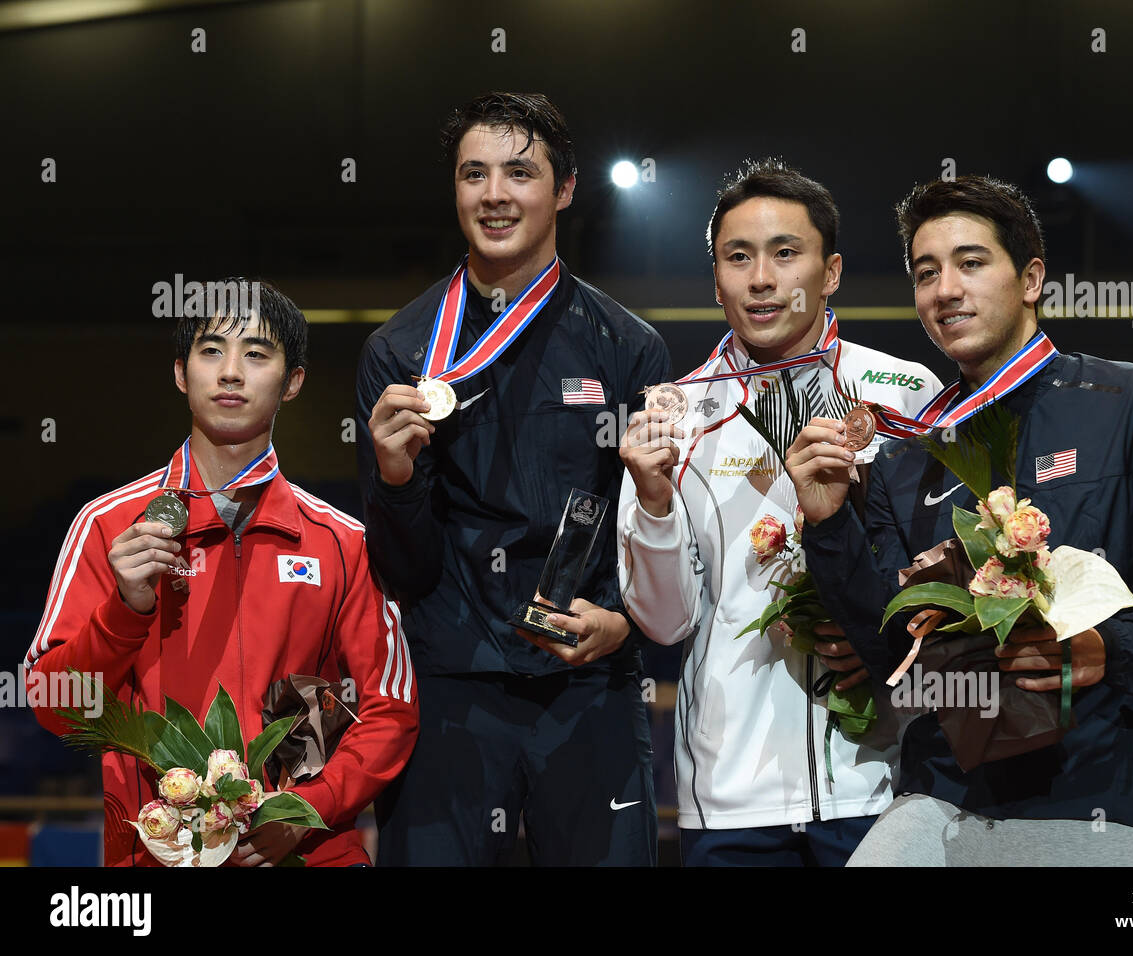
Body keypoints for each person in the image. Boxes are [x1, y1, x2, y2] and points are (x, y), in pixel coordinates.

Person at [788, 175, 1133, 865]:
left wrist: (1115, 649)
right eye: (926, 272)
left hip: (1107, 794)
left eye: (971, 262)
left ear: (1031, 279)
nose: (944, 290)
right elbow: (889, 647)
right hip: (945, 795)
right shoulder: (909, 459)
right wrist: (829, 523)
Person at [357, 92, 671, 866]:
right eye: (474, 174)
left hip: (589, 684)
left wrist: (626, 624)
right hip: (451, 691)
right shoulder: (399, 354)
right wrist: (395, 480)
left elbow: (660, 532)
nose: (493, 194)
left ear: (564, 189)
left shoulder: (628, 347)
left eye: (519, 172)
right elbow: (401, 570)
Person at [25, 280, 418, 867]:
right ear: (182, 374)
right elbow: (53, 706)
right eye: (212, 352)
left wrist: (306, 810)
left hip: (310, 852)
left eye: (257, 354)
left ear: (293, 383)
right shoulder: (108, 526)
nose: (231, 372)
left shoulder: (343, 542)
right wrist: (124, 613)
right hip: (155, 856)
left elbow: (391, 708)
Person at [617, 159, 940, 866]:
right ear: (716, 279)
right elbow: (666, 622)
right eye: (738, 257)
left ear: (830, 273)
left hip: (882, 786)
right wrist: (653, 500)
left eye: (784, 252)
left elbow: (943, 584)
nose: (761, 278)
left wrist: (888, 649)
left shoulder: (905, 392)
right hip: (731, 794)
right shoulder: (677, 414)